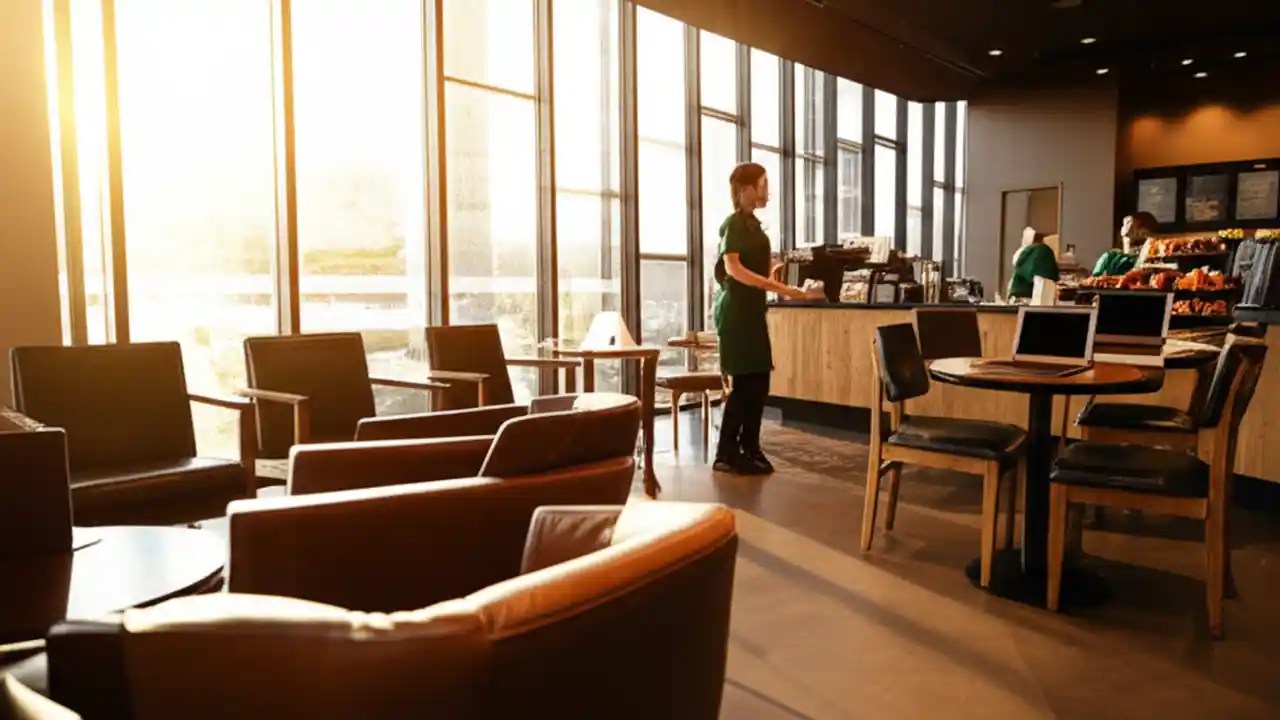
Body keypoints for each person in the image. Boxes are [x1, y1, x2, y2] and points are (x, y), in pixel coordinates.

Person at [713, 162, 808, 475]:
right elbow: (734, 270)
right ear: (746, 189)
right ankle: (726, 454)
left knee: (759, 381)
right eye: (762, 184)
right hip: (737, 313)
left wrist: (773, 275)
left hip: (752, 311)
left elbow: (757, 274)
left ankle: (750, 447)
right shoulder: (733, 224)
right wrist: (781, 287)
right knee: (743, 384)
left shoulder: (754, 226)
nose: (767, 190)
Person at [1092, 211, 1156, 277]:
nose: (1131, 239)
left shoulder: (1152, 262)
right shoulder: (1110, 258)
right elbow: (1094, 280)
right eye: (1127, 235)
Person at [1006, 226, 1059, 299]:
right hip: (1029, 299)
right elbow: (1040, 284)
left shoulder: (1025, 252)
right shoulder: (1042, 253)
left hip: (1016, 298)